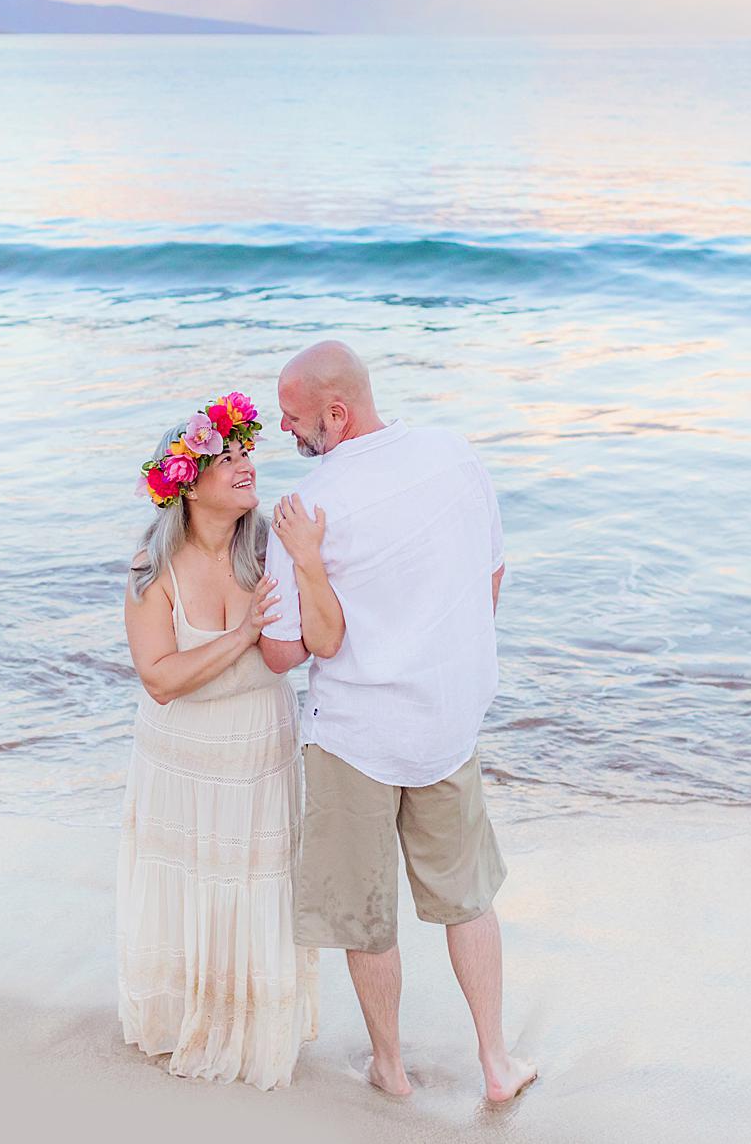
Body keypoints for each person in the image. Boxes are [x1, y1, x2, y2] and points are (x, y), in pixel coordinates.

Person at [260, 342, 537, 1103]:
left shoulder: (306, 509)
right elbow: (492, 576)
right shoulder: (455, 456)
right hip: (446, 722)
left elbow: (288, 650)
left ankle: (391, 1065)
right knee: (468, 895)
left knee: (365, 909)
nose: (284, 429)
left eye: (292, 416)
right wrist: (439, 663)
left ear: (335, 413)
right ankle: (495, 1061)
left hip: (357, 736)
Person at [116, 390, 335, 1090]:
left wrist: (312, 564)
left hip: (257, 745)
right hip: (180, 753)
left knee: (254, 884)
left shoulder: (271, 547)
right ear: (187, 483)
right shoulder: (151, 569)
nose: (247, 465)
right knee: (187, 878)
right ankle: (187, 1015)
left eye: (248, 452)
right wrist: (241, 635)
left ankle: (251, 1025)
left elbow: (314, 639)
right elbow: (159, 677)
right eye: (228, 455)